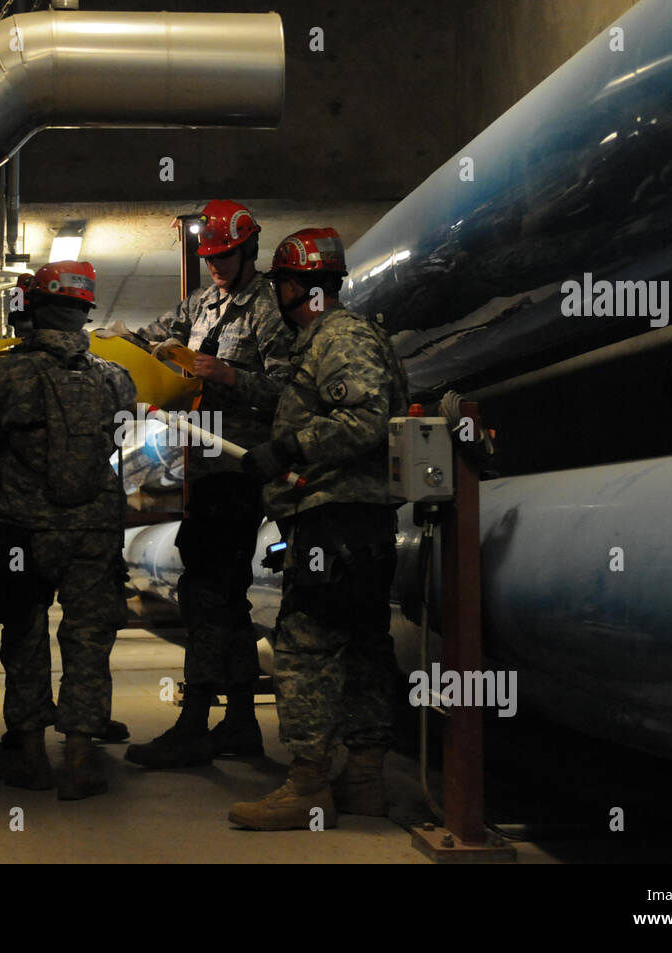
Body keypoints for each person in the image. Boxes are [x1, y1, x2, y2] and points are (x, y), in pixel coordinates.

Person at [0, 261, 136, 800]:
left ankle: (32, 756)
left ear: (35, 308)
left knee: (24, 633)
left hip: (26, 530)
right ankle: (80, 757)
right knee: (88, 638)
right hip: (95, 528)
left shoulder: (8, 375)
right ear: (86, 313)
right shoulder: (116, 377)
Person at [228, 228, 409, 830]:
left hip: (335, 519)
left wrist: (286, 449)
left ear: (296, 287)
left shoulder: (339, 336)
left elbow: (364, 420)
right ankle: (363, 781)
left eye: (281, 283)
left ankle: (307, 785)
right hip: (357, 519)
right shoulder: (334, 338)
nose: (278, 294)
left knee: (306, 645)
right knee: (363, 645)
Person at [125, 200, 294, 768]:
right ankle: (240, 723)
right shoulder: (202, 303)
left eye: (224, 256)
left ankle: (196, 721)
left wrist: (230, 376)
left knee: (204, 592)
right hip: (203, 466)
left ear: (249, 251)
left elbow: (288, 390)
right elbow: (151, 336)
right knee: (224, 597)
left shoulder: (269, 309)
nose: (216, 266)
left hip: (238, 471)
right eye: (210, 258)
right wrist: (120, 343)